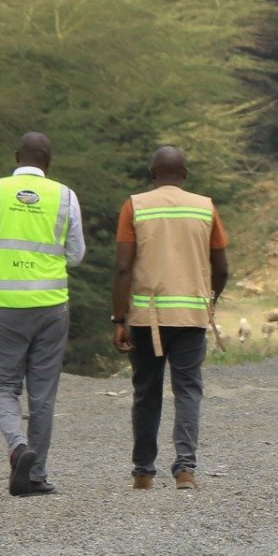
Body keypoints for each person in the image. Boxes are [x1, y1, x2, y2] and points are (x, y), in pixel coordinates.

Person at [0, 132, 85, 497]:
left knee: (3, 385)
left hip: (2, 305)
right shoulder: (65, 196)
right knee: (43, 393)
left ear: (17, 156)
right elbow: (76, 254)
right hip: (50, 305)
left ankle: (18, 446)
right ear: (49, 161)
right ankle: (35, 475)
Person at [111, 146, 229, 492]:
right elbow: (222, 267)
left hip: (146, 318)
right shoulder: (205, 207)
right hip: (190, 316)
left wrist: (119, 319)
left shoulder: (134, 206)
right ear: (185, 175)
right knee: (188, 390)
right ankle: (185, 469)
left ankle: (143, 472)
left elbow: (123, 268)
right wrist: (209, 300)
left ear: (152, 175)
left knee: (146, 391)